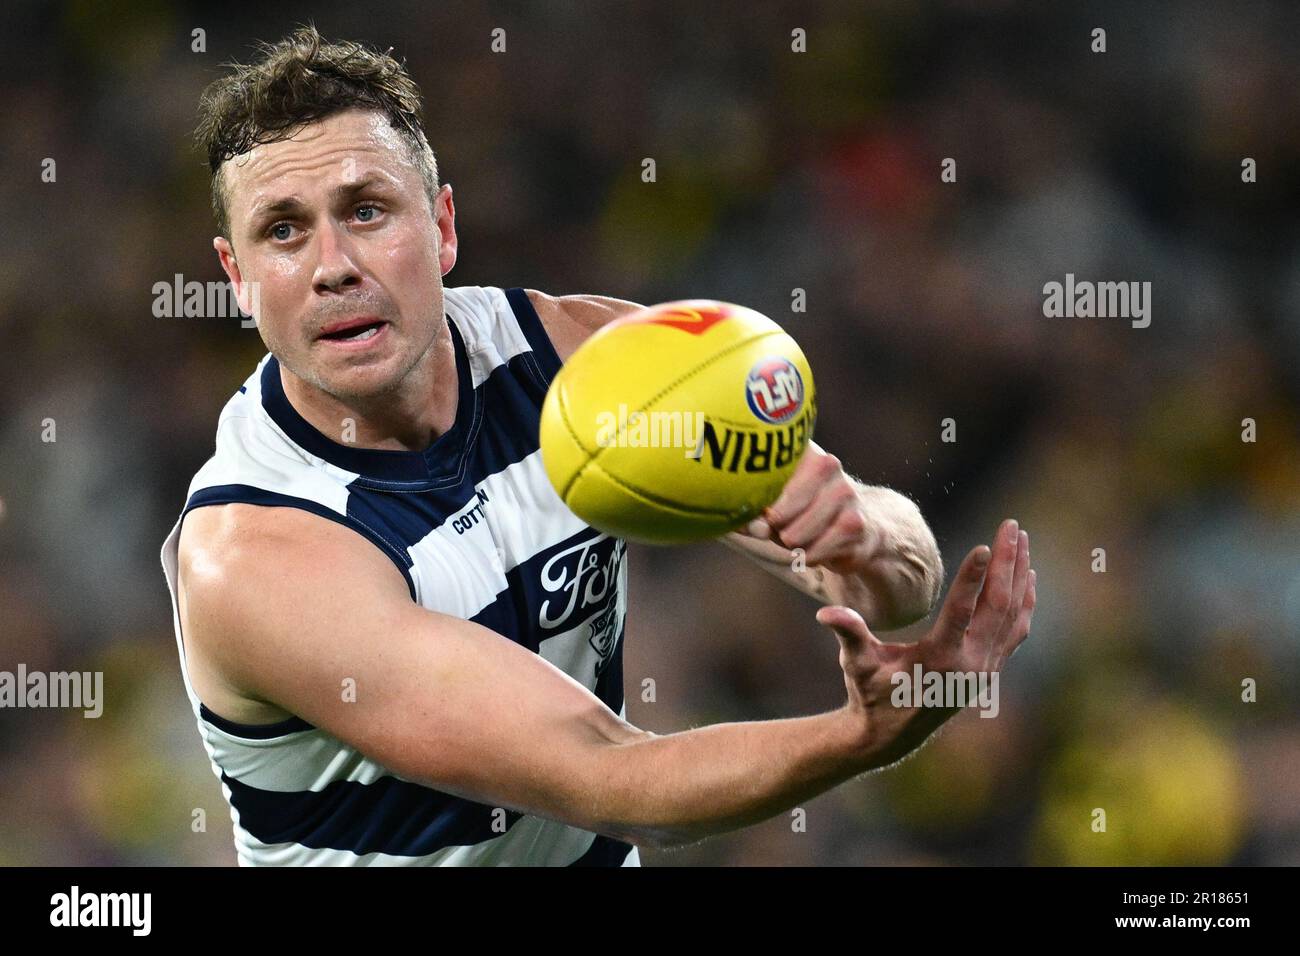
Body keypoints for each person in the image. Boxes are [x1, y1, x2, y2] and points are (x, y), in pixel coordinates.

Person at [160, 26, 1035, 866]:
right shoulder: (259, 554)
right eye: (282, 230)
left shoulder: (581, 362)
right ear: (236, 277)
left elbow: (891, 587)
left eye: (366, 209)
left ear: (444, 227)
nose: (332, 264)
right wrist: (861, 736)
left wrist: (863, 539)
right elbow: (610, 779)